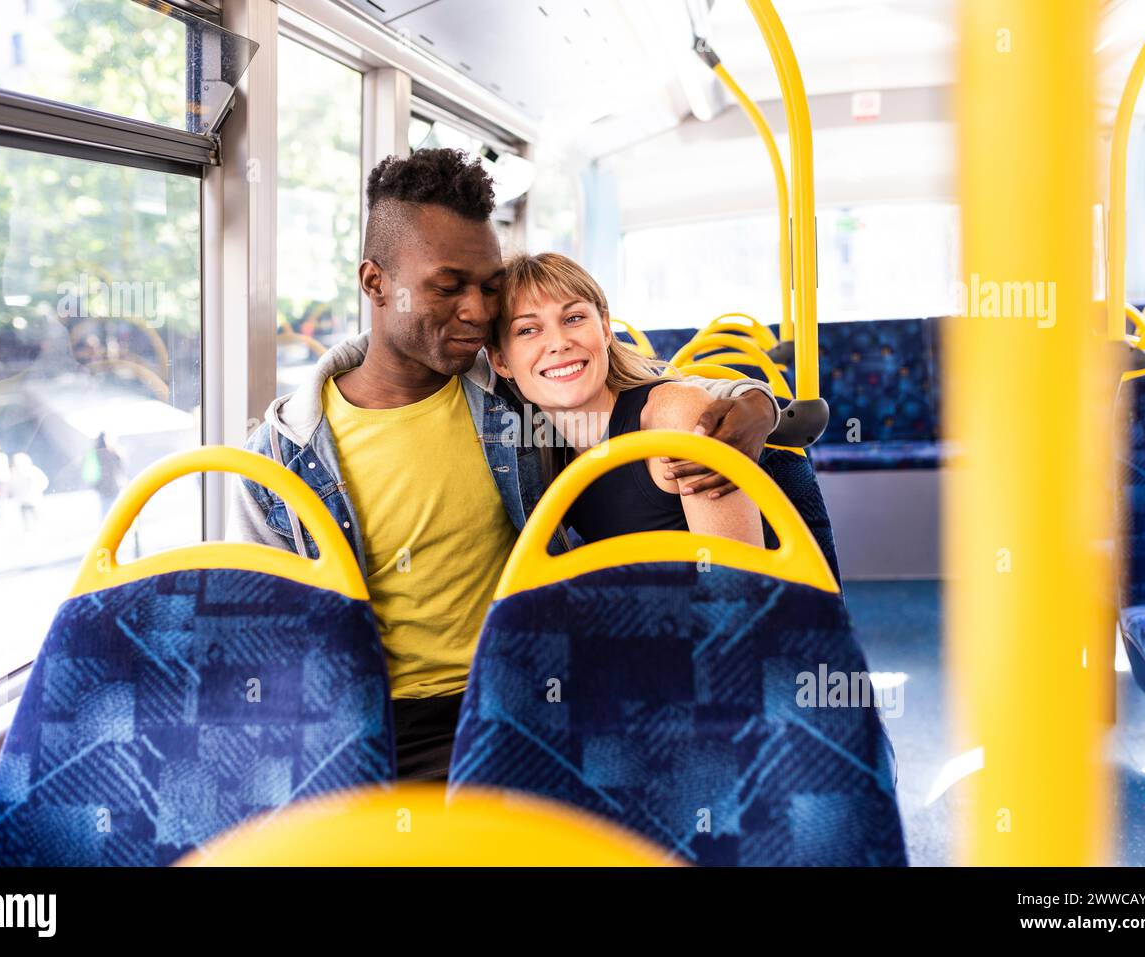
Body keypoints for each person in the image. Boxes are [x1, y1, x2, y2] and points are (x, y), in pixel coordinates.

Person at [228, 148, 781, 781]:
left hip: (528, 692)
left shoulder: (505, 401)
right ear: (375, 282)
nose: (476, 309)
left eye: (489, 288)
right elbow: (268, 634)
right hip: (367, 722)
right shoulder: (283, 458)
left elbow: (649, 394)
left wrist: (753, 401)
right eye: (447, 286)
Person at [488, 252, 765, 549]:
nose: (559, 343)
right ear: (501, 361)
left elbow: (735, 582)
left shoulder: (673, 415)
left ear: (605, 329)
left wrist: (760, 400)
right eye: (528, 330)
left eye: (574, 318)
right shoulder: (537, 452)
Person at [8, 452, 49, 533]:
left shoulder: (31, 471)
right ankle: (28, 531)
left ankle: (40, 529)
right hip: (22, 500)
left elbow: (43, 481)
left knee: (36, 516)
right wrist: (11, 494)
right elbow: (11, 485)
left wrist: (38, 489)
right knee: (25, 519)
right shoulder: (14, 473)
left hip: (32, 499)